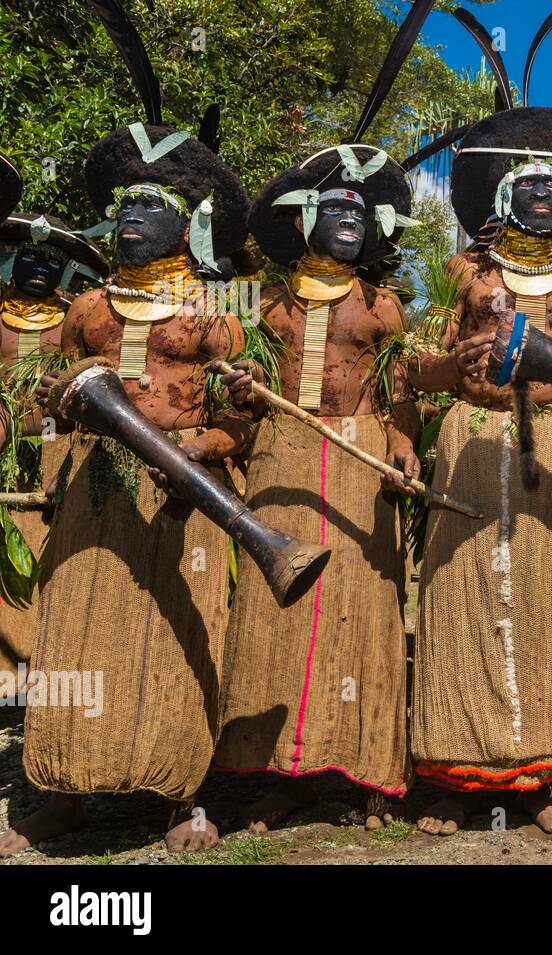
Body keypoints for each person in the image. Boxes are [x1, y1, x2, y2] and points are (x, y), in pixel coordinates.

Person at [0, 9, 252, 853]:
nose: (134, 218)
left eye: (153, 206)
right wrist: (53, 397)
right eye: (125, 207)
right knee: (80, 631)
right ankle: (67, 786)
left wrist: (203, 450)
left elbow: (239, 427)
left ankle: (183, 795)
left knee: (182, 633)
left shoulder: (216, 311)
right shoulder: (86, 306)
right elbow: (41, 395)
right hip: (92, 493)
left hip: (183, 495)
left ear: (190, 224)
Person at [406, 8, 552, 836]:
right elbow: (417, 368)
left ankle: (546, 779)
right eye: (524, 183)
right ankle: (462, 778)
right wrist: (447, 370)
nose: (539, 192)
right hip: (471, 441)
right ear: (499, 198)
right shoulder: (461, 271)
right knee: (462, 597)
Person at [0, 212, 109, 676]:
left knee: (46, 541)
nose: (41, 269)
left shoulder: (74, 320)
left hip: (54, 446)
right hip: (2, 444)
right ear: (10, 262)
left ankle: (39, 656)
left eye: (52, 262)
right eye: (31, 258)